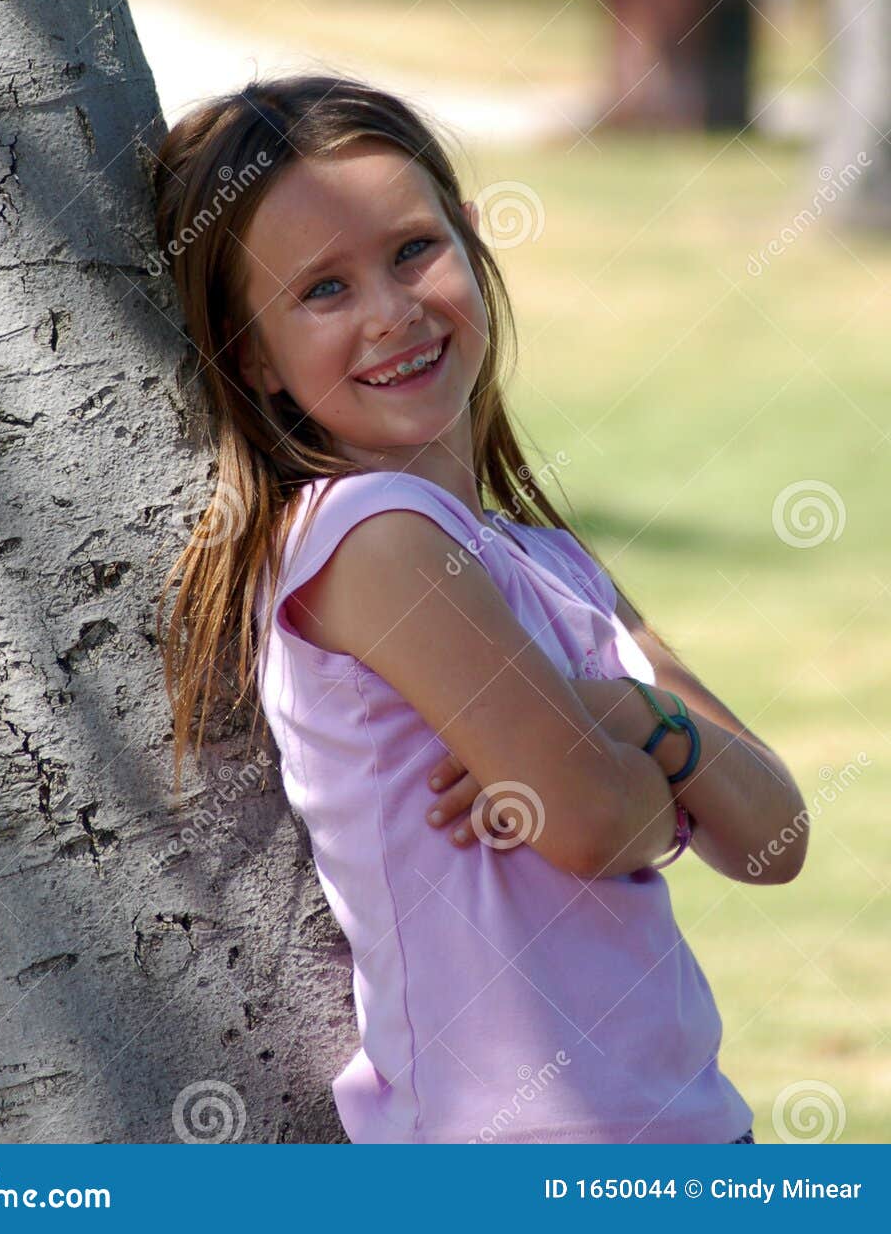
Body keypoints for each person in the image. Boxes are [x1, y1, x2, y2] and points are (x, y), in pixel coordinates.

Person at [151, 74, 806, 1145]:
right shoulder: (366, 538)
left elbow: (775, 833)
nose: (391, 311)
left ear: (468, 242)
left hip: (689, 1133)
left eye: (413, 249)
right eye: (322, 290)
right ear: (255, 356)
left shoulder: (545, 559)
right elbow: (598, 825)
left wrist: (632, 723)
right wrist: (649, 769)